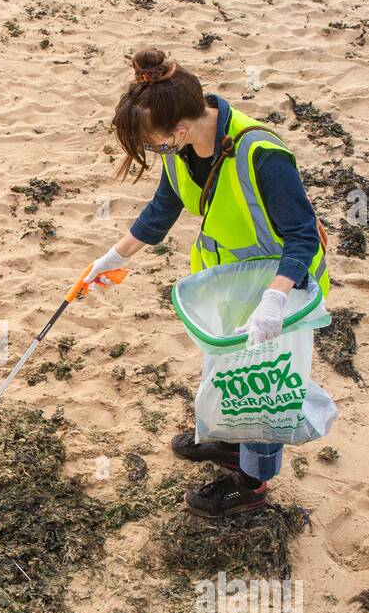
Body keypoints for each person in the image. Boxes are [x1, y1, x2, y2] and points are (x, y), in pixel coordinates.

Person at [82, 49, 329, 518]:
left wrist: (275, 301)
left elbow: (301, 236)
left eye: (154, 144)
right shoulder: (183, 144)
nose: (156, 152)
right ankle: (229, 445)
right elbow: (164, 206)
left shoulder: (263, 154)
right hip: (230, 282)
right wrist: (113, 257)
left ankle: (251, 485)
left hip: (281, 285)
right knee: (231, 375)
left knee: (263, 389)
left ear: (179, 127)